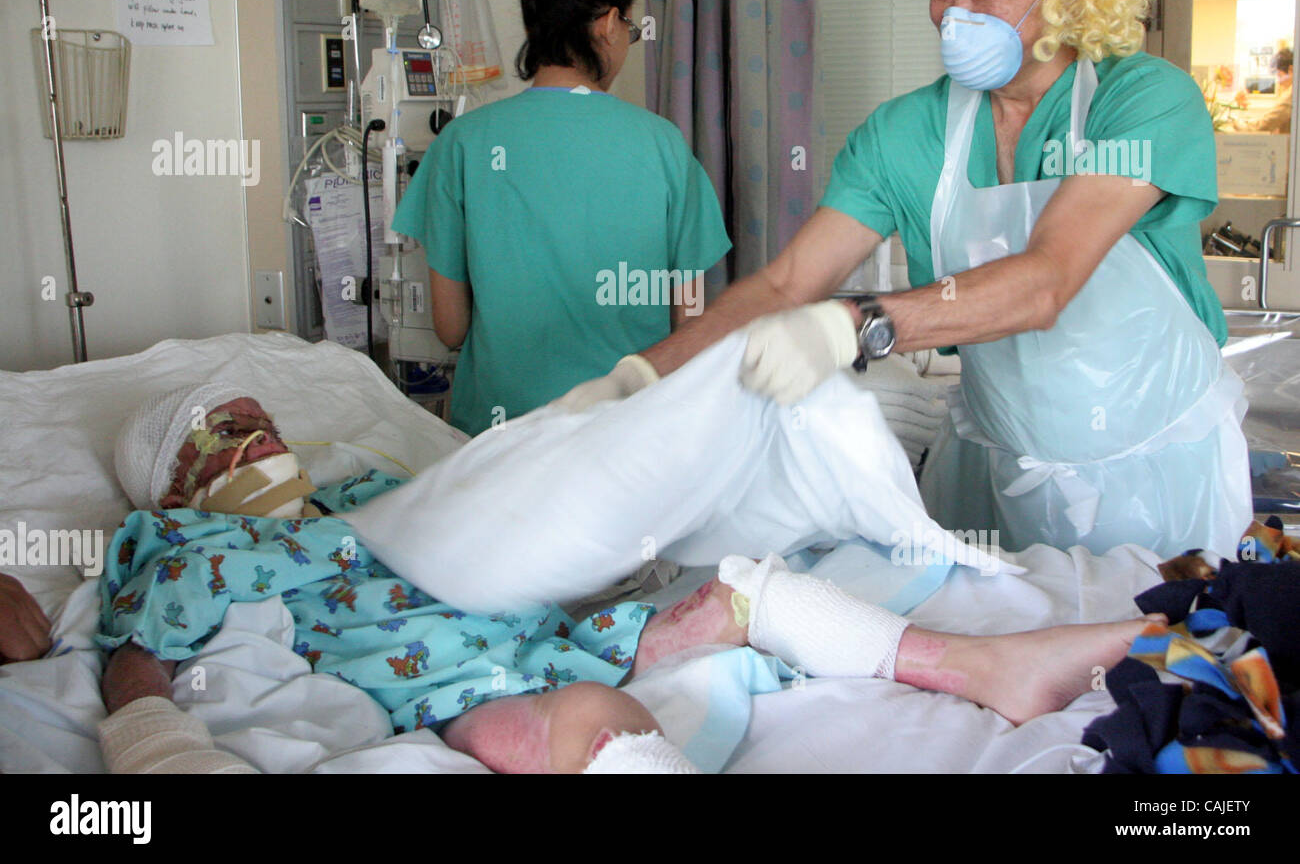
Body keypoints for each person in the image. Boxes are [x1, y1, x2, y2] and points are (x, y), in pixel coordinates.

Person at [563, 0, 1251, 560]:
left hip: (1161, 478)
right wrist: (641, 375)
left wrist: (853, 327)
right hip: (998, 480)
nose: (953, 14)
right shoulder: (905, 135)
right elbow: (786, 282)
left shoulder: (1142, 103)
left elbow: (1049, 279)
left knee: (1164, 659)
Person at [86, 384, 1158, 774]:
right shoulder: (186, 555)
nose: (259, 437)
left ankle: (988, 665)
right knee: (593, 716)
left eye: (261, 419)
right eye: (226, 436)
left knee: (749, 585)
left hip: (545, 621)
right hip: (457, 686)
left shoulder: (369, 482)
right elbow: (135, 677)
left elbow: (495, 516)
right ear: (180, 486)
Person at [392, 0, 731, 436]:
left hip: (499, 441)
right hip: (624, 437)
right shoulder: (663, 145)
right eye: (629, 26)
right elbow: (686, 329)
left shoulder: (462, 143)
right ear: (604, 24)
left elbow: (450, 328)